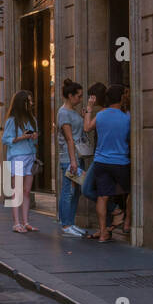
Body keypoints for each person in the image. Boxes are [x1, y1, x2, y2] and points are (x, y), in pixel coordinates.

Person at [87, 84, 131, 242]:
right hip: (121, 161)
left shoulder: (101, 115)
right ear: (121, 98)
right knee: (130, 192)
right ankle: (126, 223)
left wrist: (89, 109)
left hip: (101, 161)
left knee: (102, 196)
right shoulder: (127, 116)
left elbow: (86, 127)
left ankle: (103, 232)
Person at [2, 90, 40, 234]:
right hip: (17, 157)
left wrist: (34, 136)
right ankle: (16, 223)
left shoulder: (32, 119)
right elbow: (5, 139)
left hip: (30, 156)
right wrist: (22, 137)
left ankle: (26, 222)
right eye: (29, 101)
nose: (31, 103)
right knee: (17, 191)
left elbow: (34, 139)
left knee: (26, 191)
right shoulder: (12, 120)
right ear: (22, 103)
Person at [57, 79, 90, 238]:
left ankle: (70, 222)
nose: (80, 99)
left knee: (76, 191)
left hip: (76, 156)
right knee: (68, 191)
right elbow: (69, 139)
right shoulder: (63, 113)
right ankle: (66, 225)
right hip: (69, 158)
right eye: (78, 96)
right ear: (70, 96)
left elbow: (79, 133)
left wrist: (83, 117)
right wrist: (73, 162)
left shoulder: (73, 112)